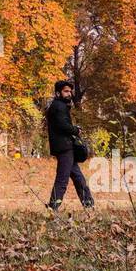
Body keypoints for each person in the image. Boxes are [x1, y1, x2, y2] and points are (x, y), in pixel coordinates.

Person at [45, 79, 94, 210]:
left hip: (65, 147)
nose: (69, 94)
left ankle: (88, 204)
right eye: (66, 91)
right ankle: (53, 207)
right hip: (64, 147)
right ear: (58, 93)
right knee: (62, 179)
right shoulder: (59, 106)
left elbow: (62, 124)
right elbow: (62, 126)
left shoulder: (59, 106)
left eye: (70, 91)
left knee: (78, 177)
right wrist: (75, 130)